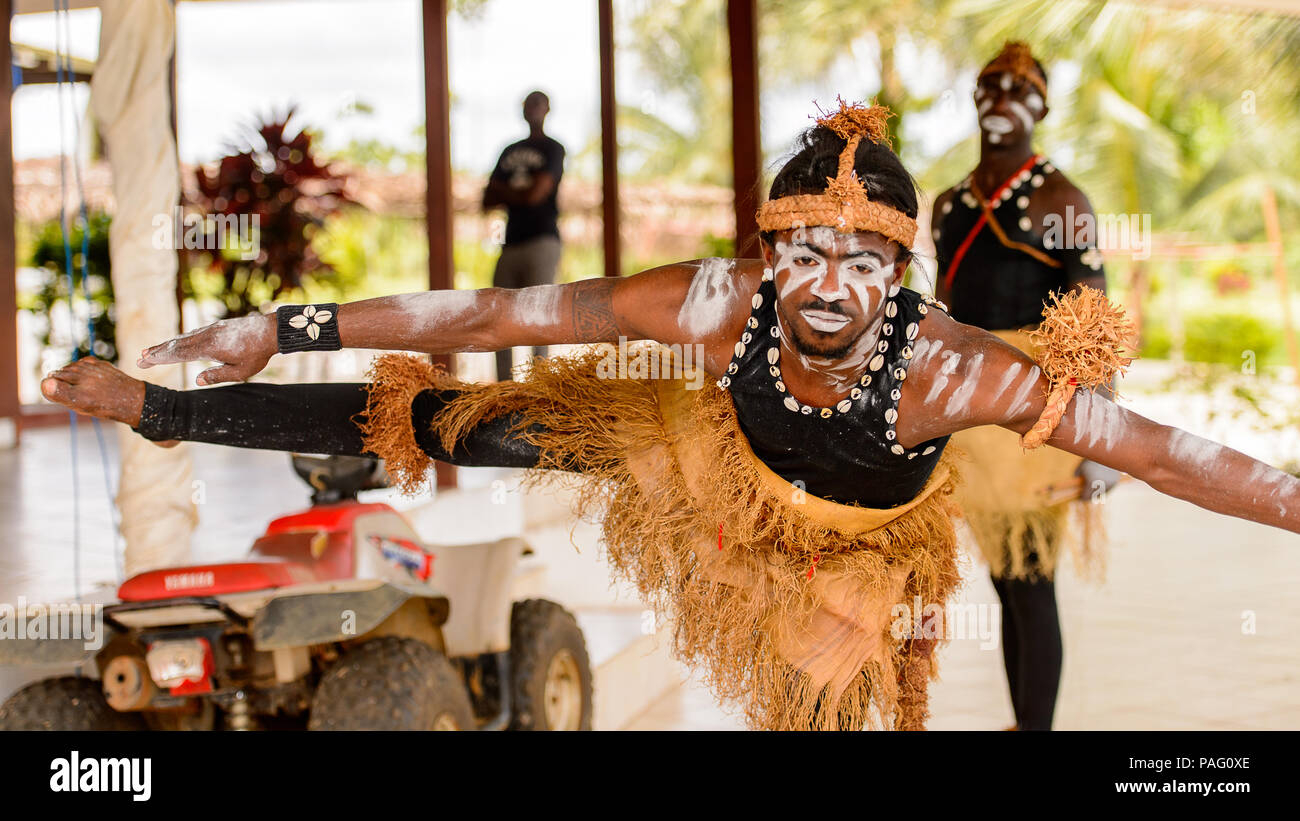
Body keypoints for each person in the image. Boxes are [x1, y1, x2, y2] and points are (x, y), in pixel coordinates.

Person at [42, 101, 1300, 732]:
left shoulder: (959, 372)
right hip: (710, 464)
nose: (823, 289)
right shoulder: (713, 298)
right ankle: (160, 411)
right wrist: (281, 325)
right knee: (461, 415)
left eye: (861, 263)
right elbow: (488, 315)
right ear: (765, 249)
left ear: (903, 274)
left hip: (861, 546)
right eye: (799, 253)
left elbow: (1174, 456)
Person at [932, 42, 1113, 731]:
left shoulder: (1064, 200)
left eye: (1018, 89)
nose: (1001, 98)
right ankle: (1024, 722)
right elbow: (943, 312)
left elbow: (1091, 323)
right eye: (989, 85)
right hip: (970, 410)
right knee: (1006, 582)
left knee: (1032, 584)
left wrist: (1101, 435)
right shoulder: (951, 205)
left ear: (1041, 107)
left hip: (1036, 410)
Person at [482, 90, 566, 381]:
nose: (532, 109)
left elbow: (535, 194)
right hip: (511, 242)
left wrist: (507, 192)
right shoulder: (509, 150)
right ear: (522, 110)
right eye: (528, 104)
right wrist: (520, 192)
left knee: (538, 315)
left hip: (542, 240)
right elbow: (485, 199)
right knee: (497, 314)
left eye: (538, 104)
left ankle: (539, 385)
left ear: (548, 109)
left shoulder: (554, 149)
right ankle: (502, 388)